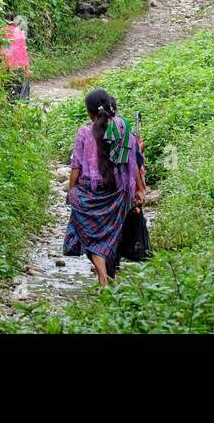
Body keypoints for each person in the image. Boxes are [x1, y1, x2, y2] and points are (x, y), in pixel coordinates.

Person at [65, 88, 140, 285]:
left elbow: (76, 166)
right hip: (118, 192)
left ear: (90, 112)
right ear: (110, 107)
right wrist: (139, 189)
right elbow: (134, 163)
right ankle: (110, 276)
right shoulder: (124, 130)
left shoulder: (84, 133)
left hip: (90, 191)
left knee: (87, 233)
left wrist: (70, 191)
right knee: (113, 235)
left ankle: (102, 276)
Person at [1, 14, 30, 99]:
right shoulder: (20, 32)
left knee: (6, 86)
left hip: (5, 64)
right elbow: (24, 51)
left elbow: (0, 49)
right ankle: (17, 104)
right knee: (18, 86)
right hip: (19, 64)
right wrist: (27, 69)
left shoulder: (2, 31)